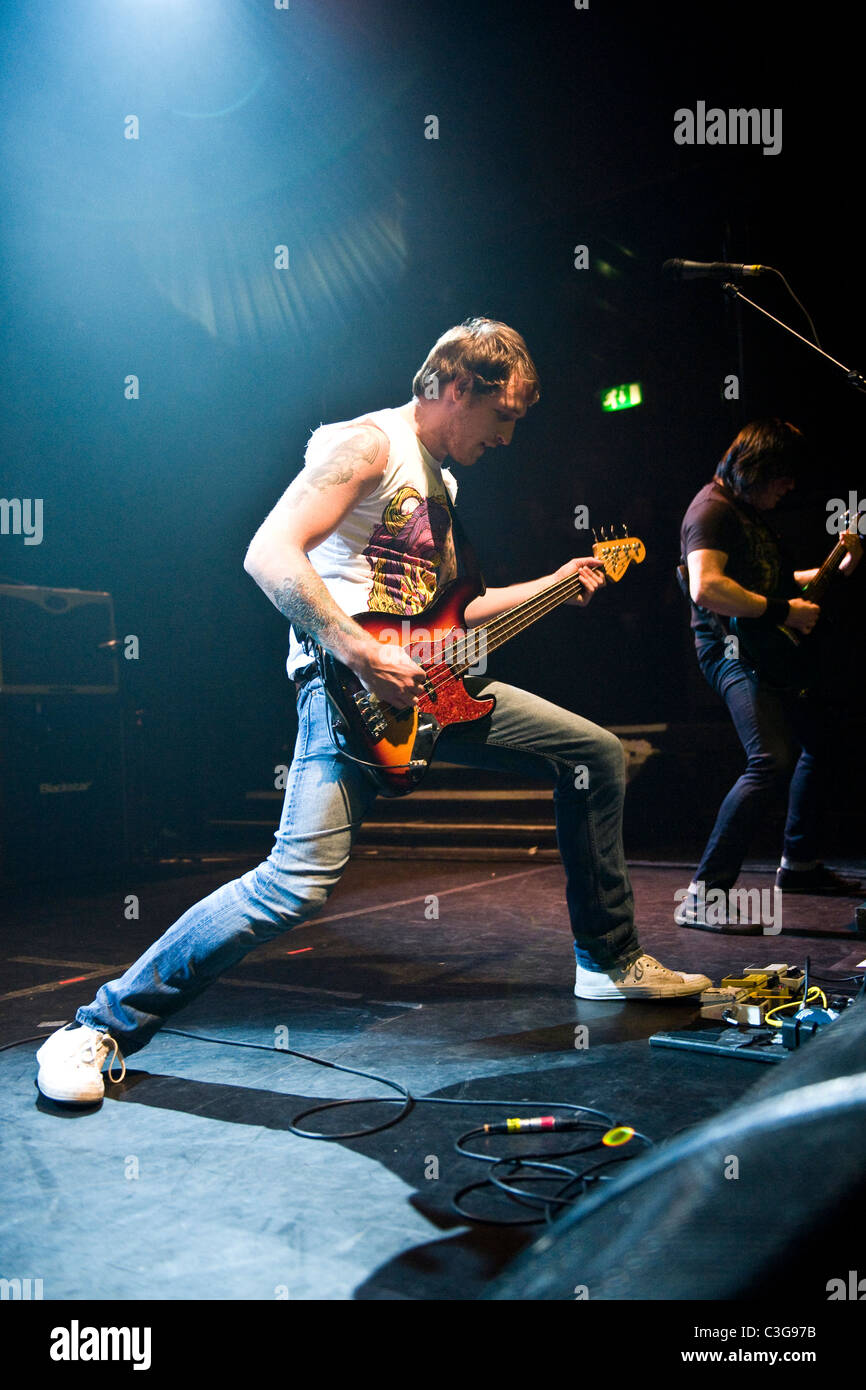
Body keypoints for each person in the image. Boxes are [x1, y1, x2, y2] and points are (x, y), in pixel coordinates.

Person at [37, 317, 709, 1105]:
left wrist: (557, 583)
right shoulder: (368, 445)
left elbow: (454, 613)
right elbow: (268, 551)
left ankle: (608, 958)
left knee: (591, 754)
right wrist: (358, 650)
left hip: (431, 687)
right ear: (457, 388)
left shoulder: (443, 482)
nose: (509, 437)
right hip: (347, 689)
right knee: (294, 885)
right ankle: (96, 1028)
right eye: (505, 416)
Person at [677, 417, 862, 932]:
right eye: (783, 476)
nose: (790, 486)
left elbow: (778, 584)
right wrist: (784, 613)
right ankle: (703, 895)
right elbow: (707, 587)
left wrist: (834, 566)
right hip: (730, 651)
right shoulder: (711, 511)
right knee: (770, 761)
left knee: (821, 741)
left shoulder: (750, 515)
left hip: (763, 645)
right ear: (758, 468)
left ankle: (798, 865)